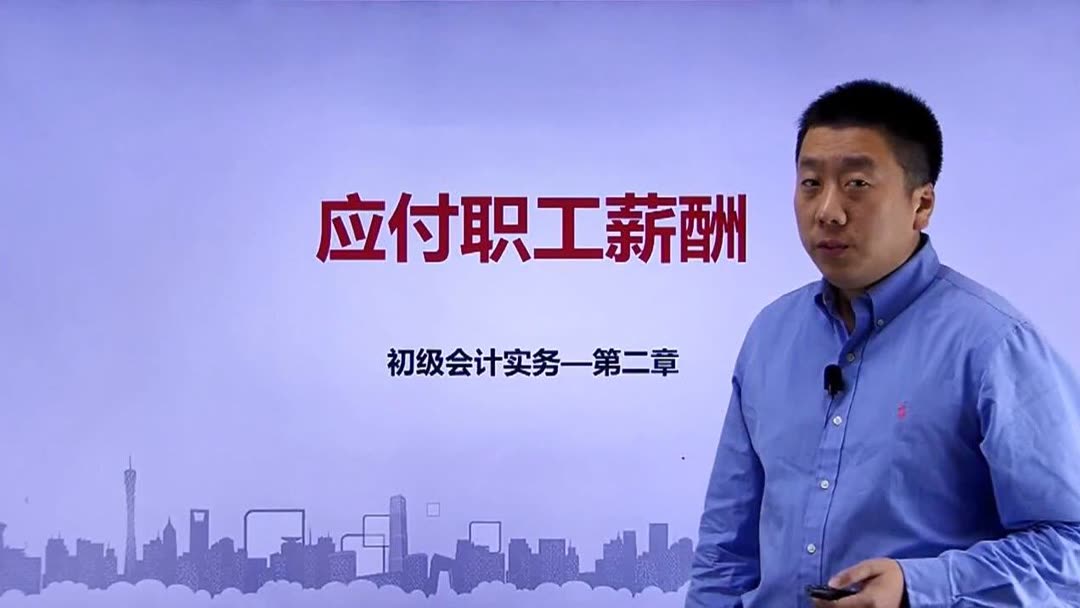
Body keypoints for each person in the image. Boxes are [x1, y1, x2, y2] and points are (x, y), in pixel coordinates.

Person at [684, 79, 1080, 608]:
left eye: (856, 184)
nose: (827, 210)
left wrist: (918, 586)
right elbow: (726, 549)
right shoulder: (770, 334)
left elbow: (1070, 544)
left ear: (922, 204)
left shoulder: (994, 345)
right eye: (810, 183)